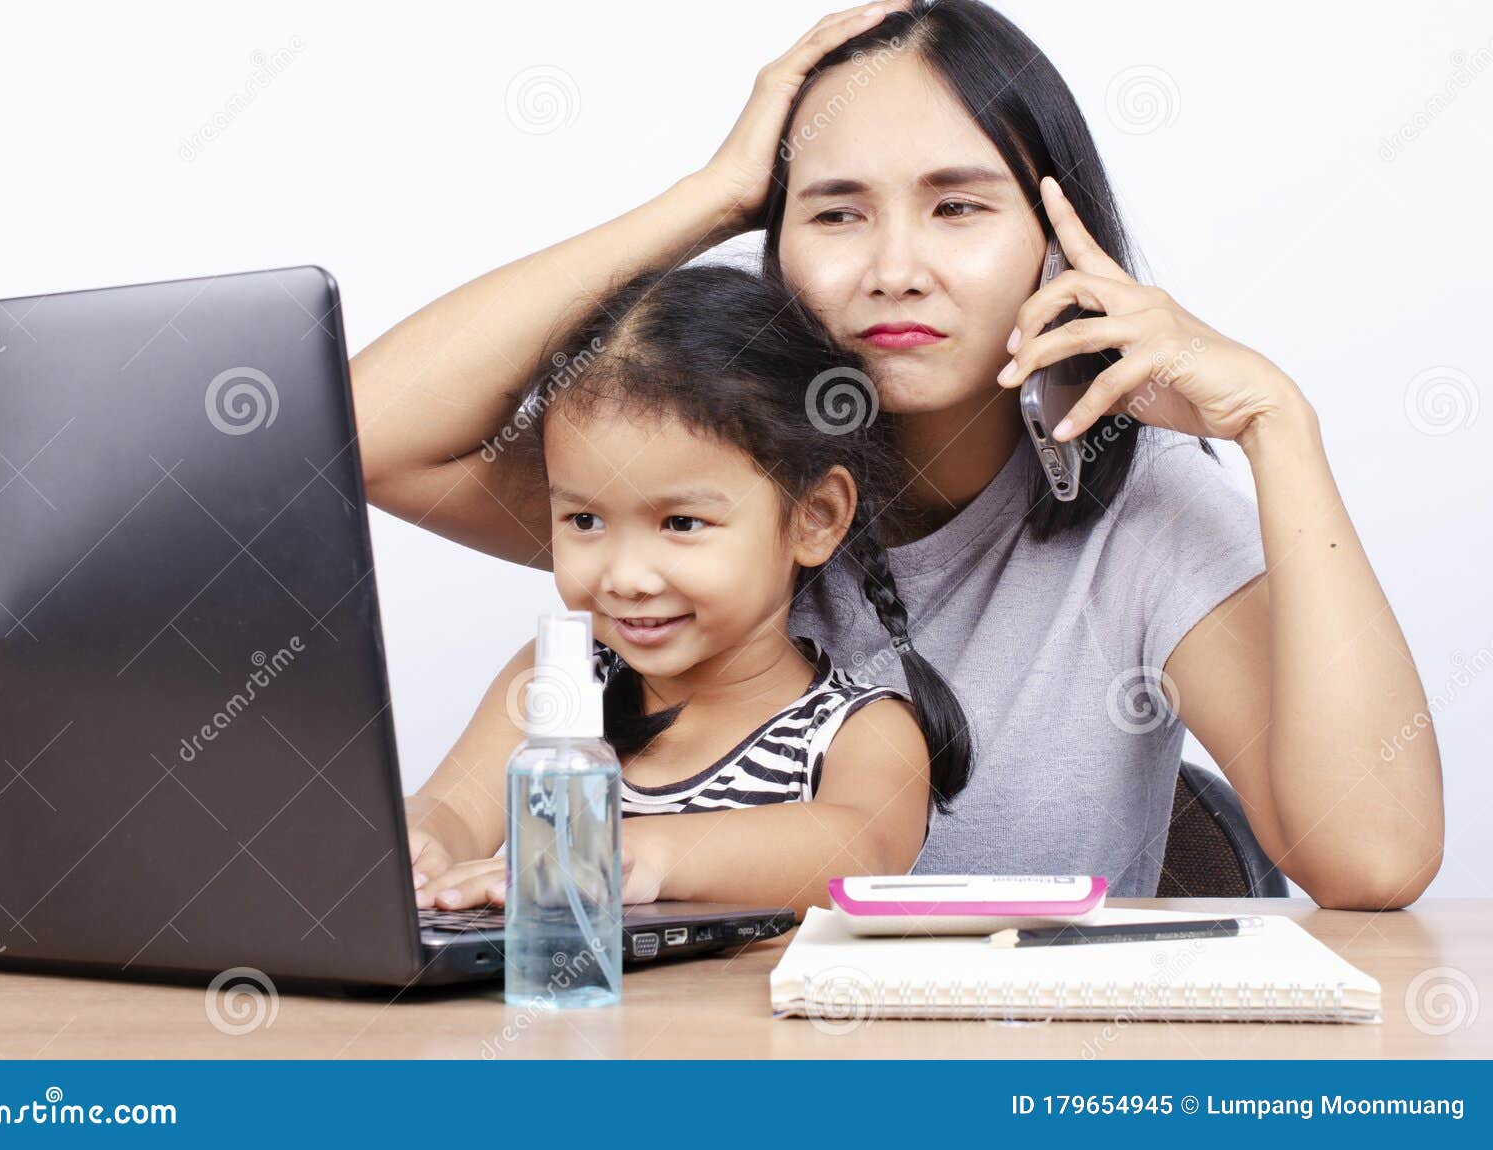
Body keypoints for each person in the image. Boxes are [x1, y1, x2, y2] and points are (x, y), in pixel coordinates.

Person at [355, 0, 1443, 908]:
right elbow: (364, 434)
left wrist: (1277, 425)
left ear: (1056, 245)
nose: (894, 267)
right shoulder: (699, 490)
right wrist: (718, 192)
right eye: (833, 214)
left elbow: (1374, 858)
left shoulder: (1143, 512)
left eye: (956, 206)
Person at [408, 265, 971, 915]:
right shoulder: (561, 681)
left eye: (681, 523)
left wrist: (634, 857)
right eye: (584, 520)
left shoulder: (861, 732)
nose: (624, 578)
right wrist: (425, 839)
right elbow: (452, 806)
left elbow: (858, 852)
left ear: (814, 517)